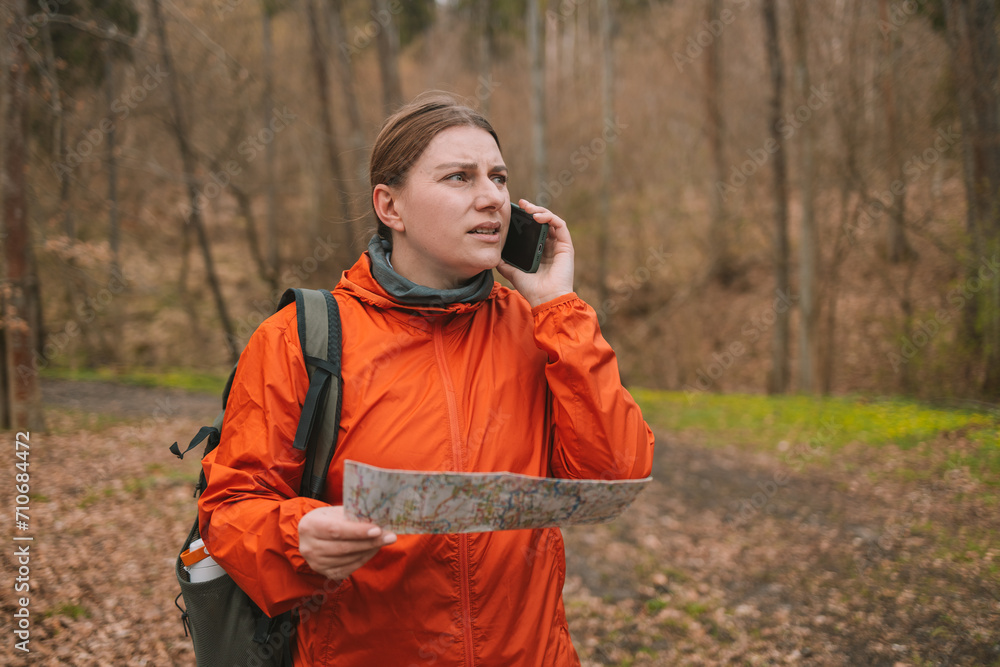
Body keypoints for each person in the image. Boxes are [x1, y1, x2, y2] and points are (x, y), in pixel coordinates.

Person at [198, 92, 655, 666]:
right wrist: (299, 535)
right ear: (391, 207)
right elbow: (230, 507)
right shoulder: (300, 337)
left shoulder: (540, 328)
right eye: (459, 178)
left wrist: (558, 304)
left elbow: (616, 471)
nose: (491, 197)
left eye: (498, 177)